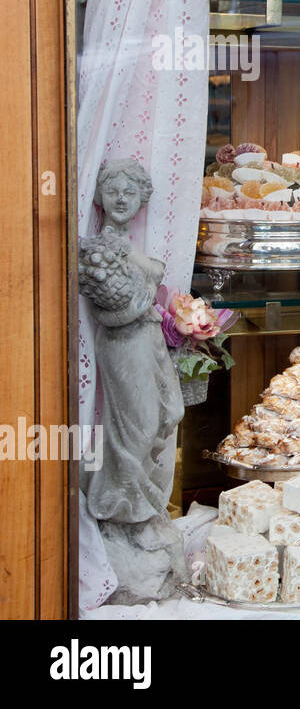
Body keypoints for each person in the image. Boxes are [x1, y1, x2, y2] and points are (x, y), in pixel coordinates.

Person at [78, 159, 184, 525]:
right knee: (136, 429)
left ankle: (131, 502)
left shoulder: (119, 246)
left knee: (170, 413)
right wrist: (142, 304)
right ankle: (123, 510)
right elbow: (107, 313)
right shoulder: (96, 249)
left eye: (130, 192)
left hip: (148, 338)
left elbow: (153, 273)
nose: (121, 199)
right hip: (123, 343)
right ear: (99, 197)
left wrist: (145, 302)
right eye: (112, 191)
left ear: (143, 198)